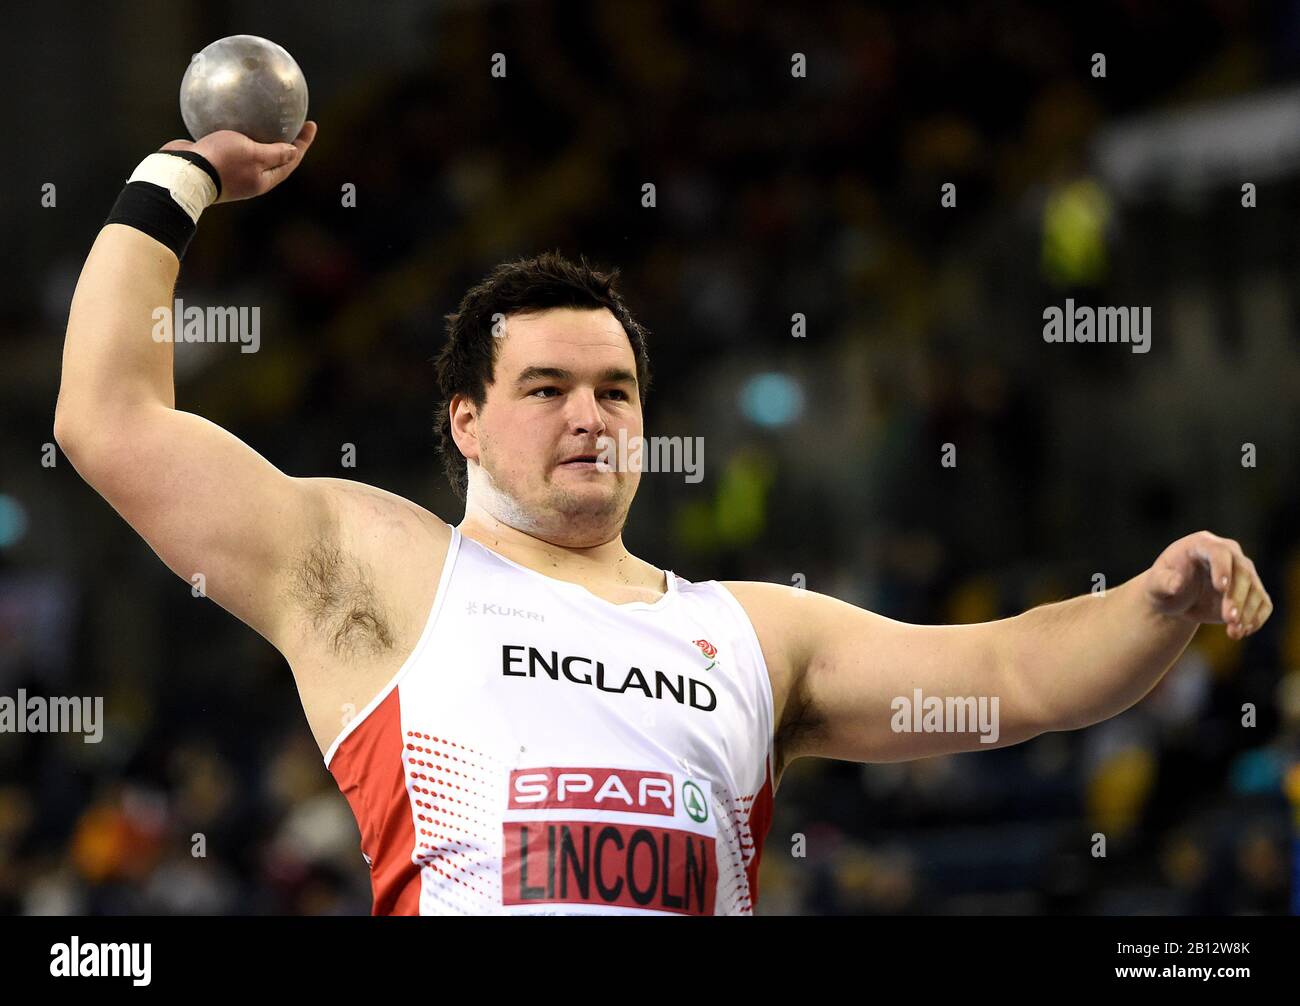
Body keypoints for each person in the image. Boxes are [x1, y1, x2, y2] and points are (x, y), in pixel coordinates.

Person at [54, 126, 1274, 915]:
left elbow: (1013, 671)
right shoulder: (371, 573)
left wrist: (1155, 599)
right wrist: (180, 176)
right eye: (545, 389)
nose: (589, 416)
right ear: (466, 422)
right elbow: (109, 420)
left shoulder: (752, 633)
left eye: (616, 390)